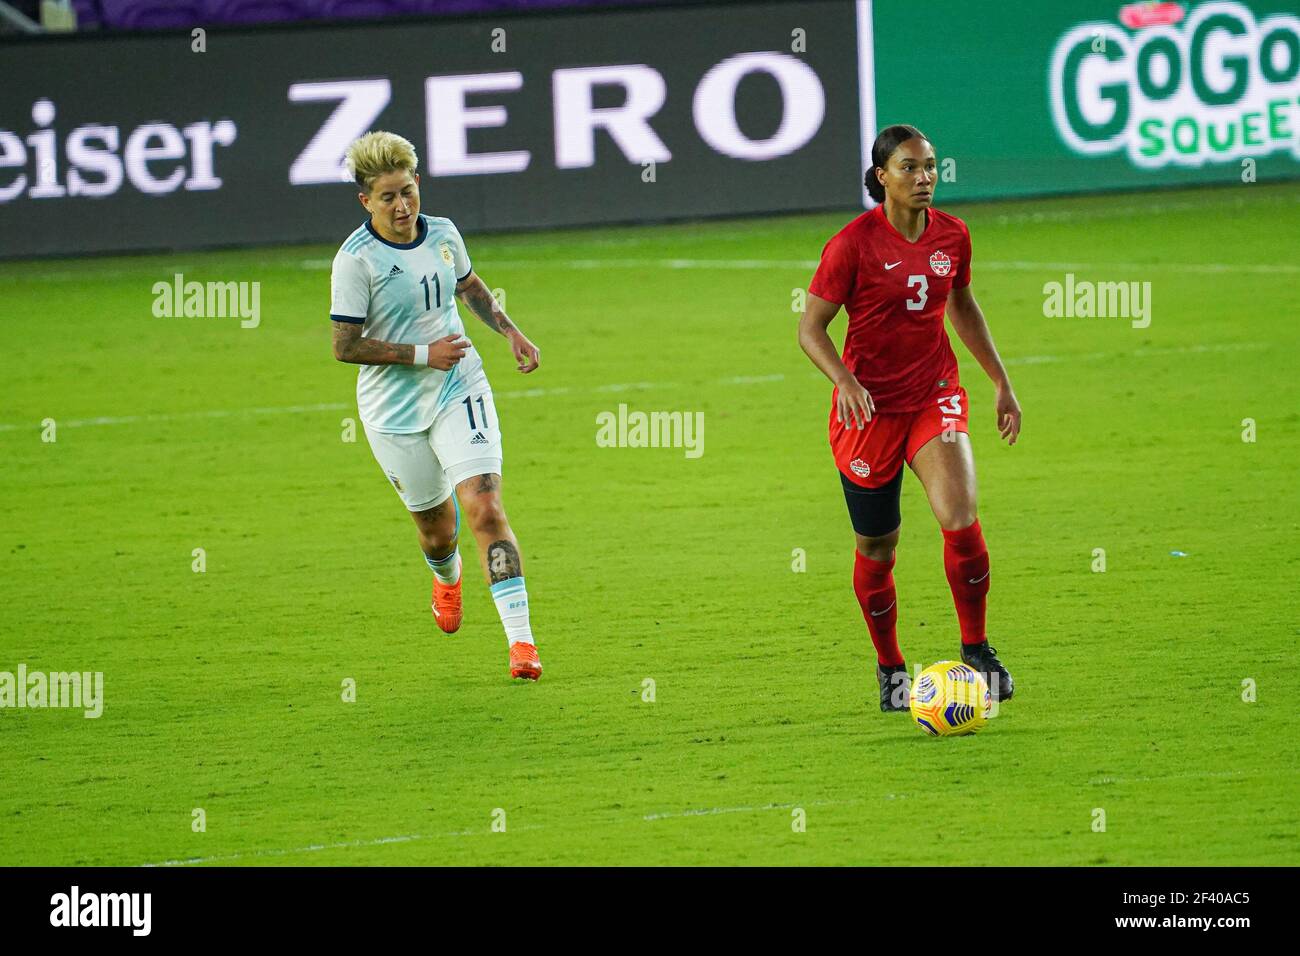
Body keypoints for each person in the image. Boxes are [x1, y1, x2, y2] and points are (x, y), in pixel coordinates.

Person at [797, 124, 1021, 711]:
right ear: (881, 177)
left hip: (934, 393)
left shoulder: (954, 235)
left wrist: (1000, 380)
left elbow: (962, 305)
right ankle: (891, 667)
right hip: (868, 409)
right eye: (909, 168)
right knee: (878, 545)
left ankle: (977, 649)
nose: (924, 178)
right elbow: (809, 328)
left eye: (930, 166)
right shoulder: (851, 245)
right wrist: (844, 380)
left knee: (961, 517)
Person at [329, 131, 544, 680]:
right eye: (387, 198)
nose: (401, 207)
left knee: (486, 509)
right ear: (365, 201)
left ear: (417, 183)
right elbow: (345, 347)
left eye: (407, 192)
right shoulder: (355, 262)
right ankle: (447, 578)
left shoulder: (444, 234)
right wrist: (426, 353)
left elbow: (468, 286)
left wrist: (510, 332)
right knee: (437, 528)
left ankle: (522, 645)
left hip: (458, 384)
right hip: (394, 410)